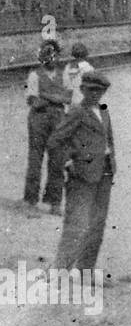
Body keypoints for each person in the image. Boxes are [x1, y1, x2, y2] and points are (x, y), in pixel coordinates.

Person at [48, 71, 114, 269]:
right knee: (76, 225)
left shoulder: (103, 110)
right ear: (83, 90)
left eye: (100, 91)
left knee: (97, 225)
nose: (96, 94)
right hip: (82, 176)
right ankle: (60, 271)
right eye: (91, 90)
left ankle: (86, 271)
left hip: (104, 172)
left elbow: (108, 138)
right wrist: (69, 163)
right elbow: (55, 142)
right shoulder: (77, 111)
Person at [25, 40, 70, 217]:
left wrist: (46, 95)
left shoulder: (63, 74)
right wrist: (55, 98)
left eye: (54, 55)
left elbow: (69, 97)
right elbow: (33, 102)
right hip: (39, 120)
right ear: (42, 57)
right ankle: (31, 202)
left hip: (58, 120)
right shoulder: (34, 75)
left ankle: (55, 202)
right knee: (35, 160)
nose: (51, 58)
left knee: (58, 160)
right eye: (47, 55)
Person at [64, 43, 94, 107]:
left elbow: (66, 85)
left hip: (72, 99)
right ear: (85, 54)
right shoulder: (88, 68)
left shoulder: (68, 67)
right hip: (83, 100)